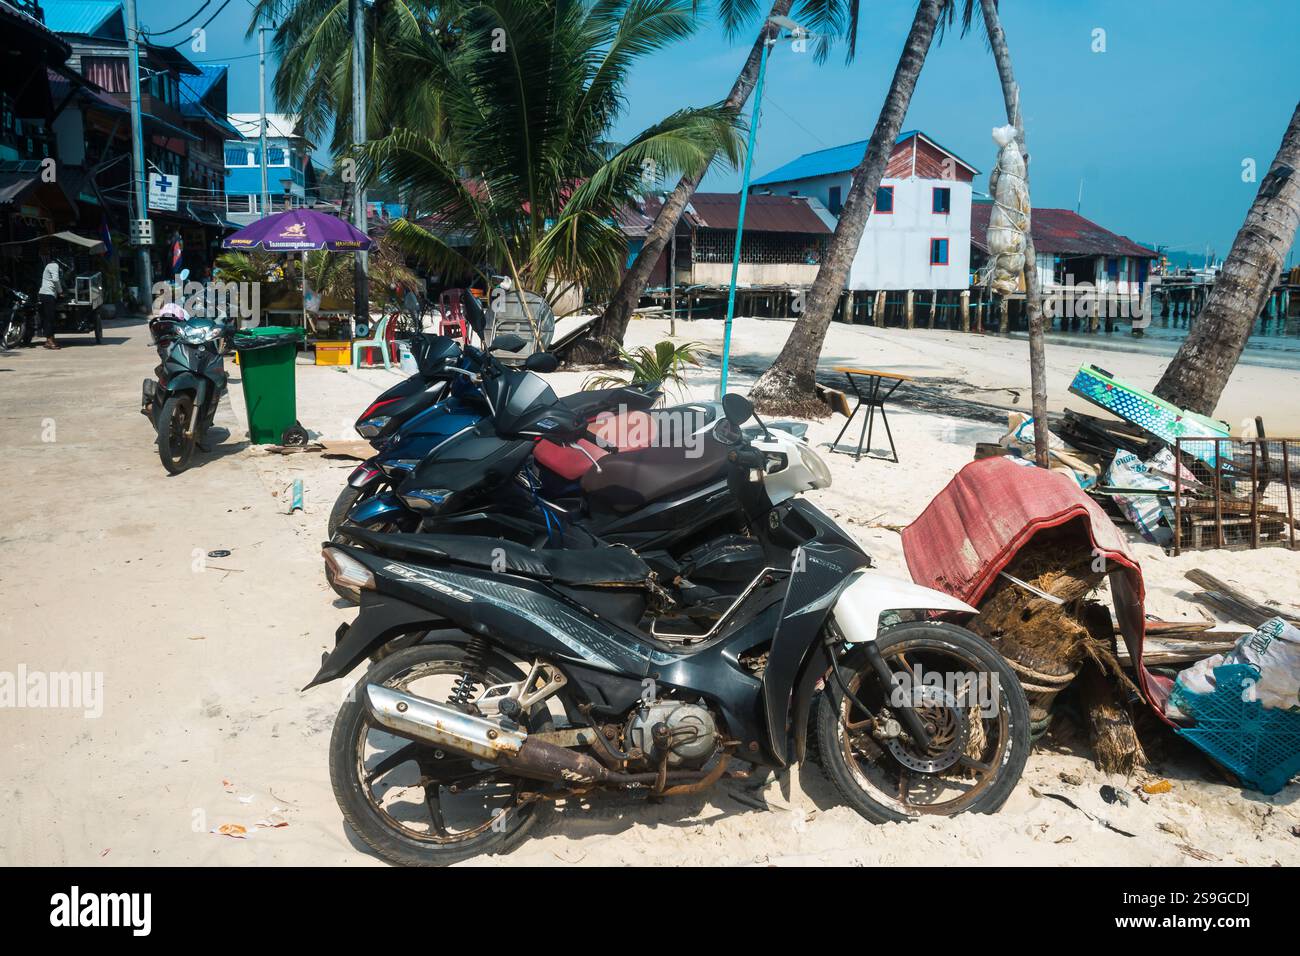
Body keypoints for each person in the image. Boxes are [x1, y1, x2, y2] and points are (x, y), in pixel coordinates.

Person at [37, 250, 64, 350]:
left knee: (48, 318)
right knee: (50, 318)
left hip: (45, 294)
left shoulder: (50, 265)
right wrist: (60, 291)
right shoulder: (54, 265)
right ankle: (50, 341)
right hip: (48, 294)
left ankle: (49, 340)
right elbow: (56, 279)